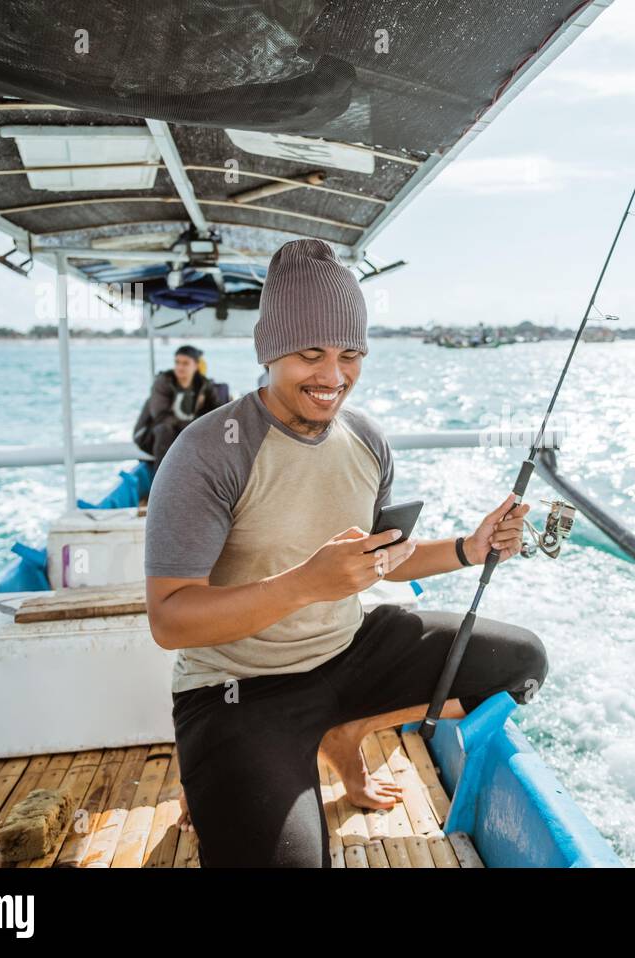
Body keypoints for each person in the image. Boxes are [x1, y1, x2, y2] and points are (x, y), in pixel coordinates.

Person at [143, 238, 547, 868]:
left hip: (348, 654)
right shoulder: (208, 450)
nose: (333, 377)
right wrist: (303, 584)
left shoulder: (365, 439)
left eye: (350, 355)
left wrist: (470, 547)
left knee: (519, 662)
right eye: (310, 355)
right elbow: (169, 620)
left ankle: (346, 728)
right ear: (270, 351)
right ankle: (235, 768)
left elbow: (385, 559)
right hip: (239, 689)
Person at [132, 345, 227, 477]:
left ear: (196, 365)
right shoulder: (163, 382)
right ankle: (161, 484)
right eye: (177, 362)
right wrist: (193, 427)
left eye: (185, 363)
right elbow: (161, 416)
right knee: (164, 429)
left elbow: (218, 413)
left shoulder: (204, 385)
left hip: (184, 433)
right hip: (150, 436)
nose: (180, 367)